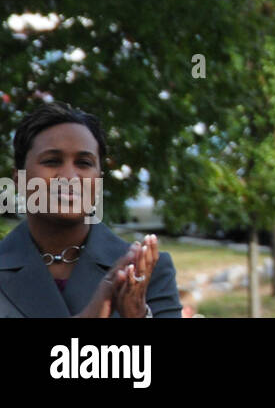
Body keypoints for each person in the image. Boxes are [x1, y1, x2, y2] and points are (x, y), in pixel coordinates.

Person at [0, 101, 182, 317]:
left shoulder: (146, 273)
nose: (69, 177)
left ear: (98, 181)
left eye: (84, 163)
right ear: (18, 179)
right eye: (52, 161)